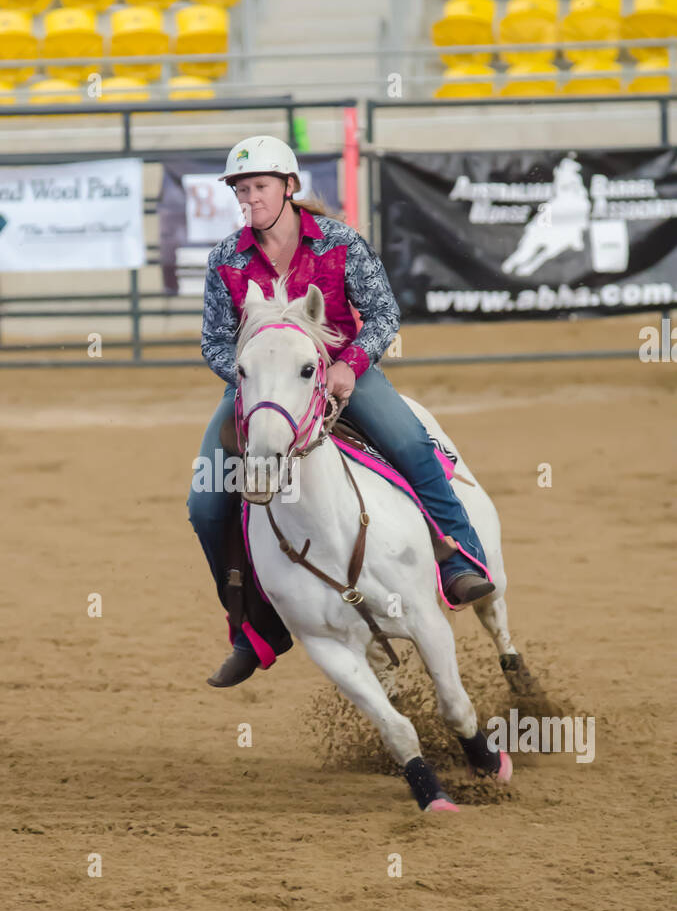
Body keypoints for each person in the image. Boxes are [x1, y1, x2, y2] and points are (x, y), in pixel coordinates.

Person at [188, 136, 496, 689]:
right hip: (264, 389)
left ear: (289, 187)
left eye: (258, 186)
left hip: (342, 373)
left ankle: (458, 561)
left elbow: (382, 312)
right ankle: (253, 629)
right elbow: (213, 341)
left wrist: (350, 364)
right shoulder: (225, 259)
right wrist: (250, 376)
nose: (248, 198)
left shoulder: (337, 242)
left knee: (408, 442)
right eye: (240, 189)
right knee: (206, 501)